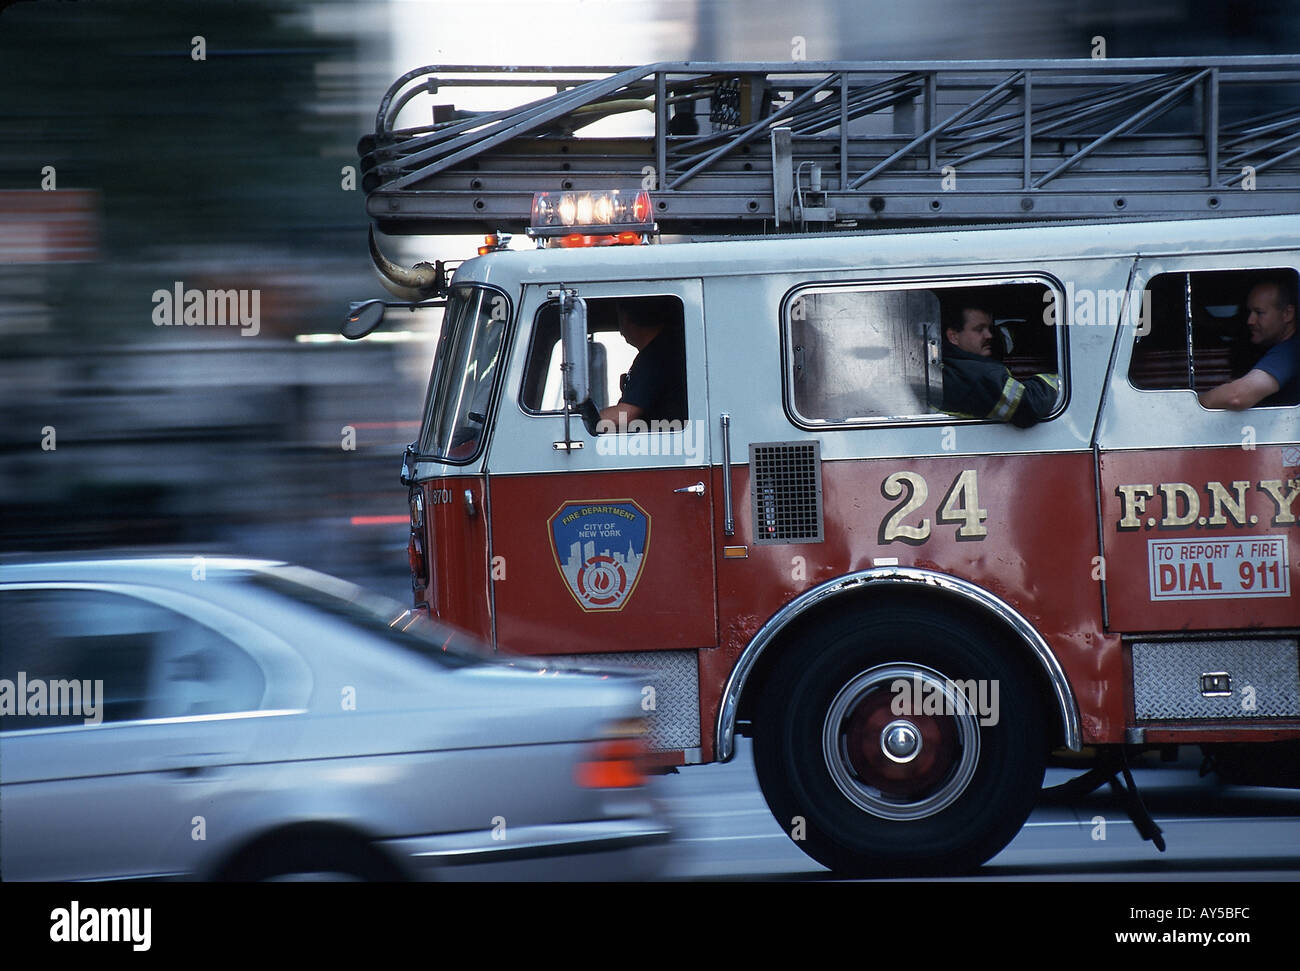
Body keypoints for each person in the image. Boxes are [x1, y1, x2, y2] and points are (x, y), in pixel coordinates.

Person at [941, 304, 1058, 427]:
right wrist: (1064, 379)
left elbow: (1006, 338)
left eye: (990, 328)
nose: (989, 335)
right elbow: (1029, 405)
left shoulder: (953, 362)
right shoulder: (974, 377)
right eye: (979, 329)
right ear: (953, 336)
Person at [1198, 275, 1298, 409]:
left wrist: (1193, 405)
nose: (1250, 321)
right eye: (1249, 312)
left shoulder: (1290, 351)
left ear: (1287, 314)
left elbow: (1237, 396)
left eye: (1259, 312)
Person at [598, 299, 687, 429]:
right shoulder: (666, 349)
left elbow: (624, 415)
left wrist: (582, 423)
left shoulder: (657, 356)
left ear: (626, 318)